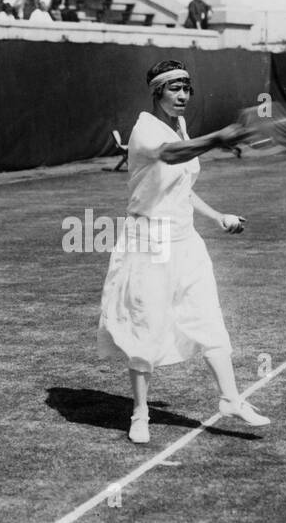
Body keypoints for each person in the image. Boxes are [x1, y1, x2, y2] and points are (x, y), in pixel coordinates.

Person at [98, 60, 270, 444]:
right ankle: (140, 413)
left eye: (187, 89)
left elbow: (182, 189)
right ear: (157, 91)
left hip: (186, 240)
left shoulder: (180, 125)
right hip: (151, 240)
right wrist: (219, 137)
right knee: (147, 326)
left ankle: (230, 398)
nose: (182, 96)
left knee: (208, 315)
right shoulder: (145, 129)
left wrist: (219, 216)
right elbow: (174, 155)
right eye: (174, 88)